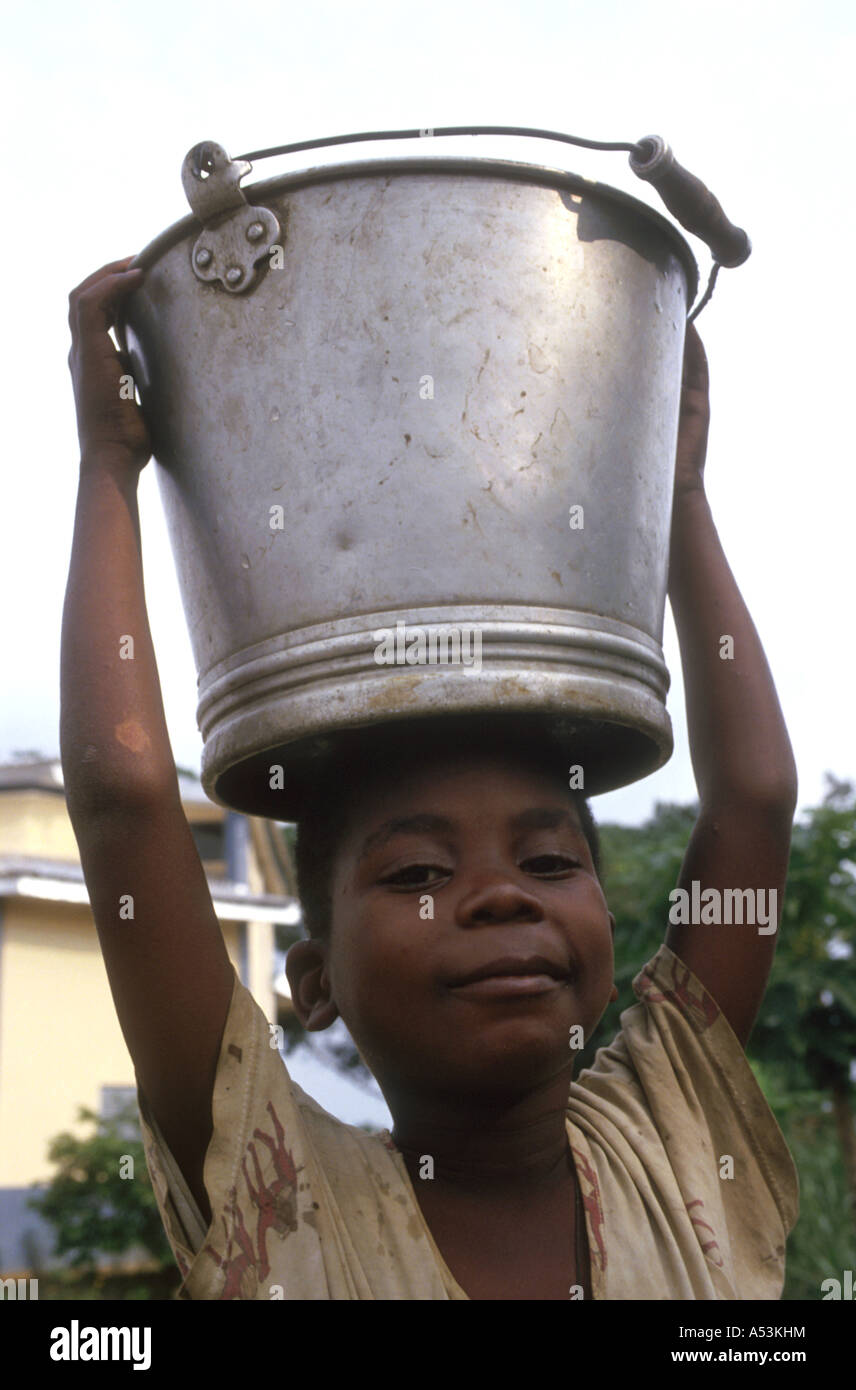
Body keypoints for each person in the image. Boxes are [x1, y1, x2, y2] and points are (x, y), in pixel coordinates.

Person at [62, 258, 798, 1300]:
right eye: (416, 871)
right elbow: (120, 801)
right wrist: (107, 469)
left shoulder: (670, 1140)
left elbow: (753, 801)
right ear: (312, 984)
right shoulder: (282, 1201)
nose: (501, 894)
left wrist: (670, 491)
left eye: (549, 859)